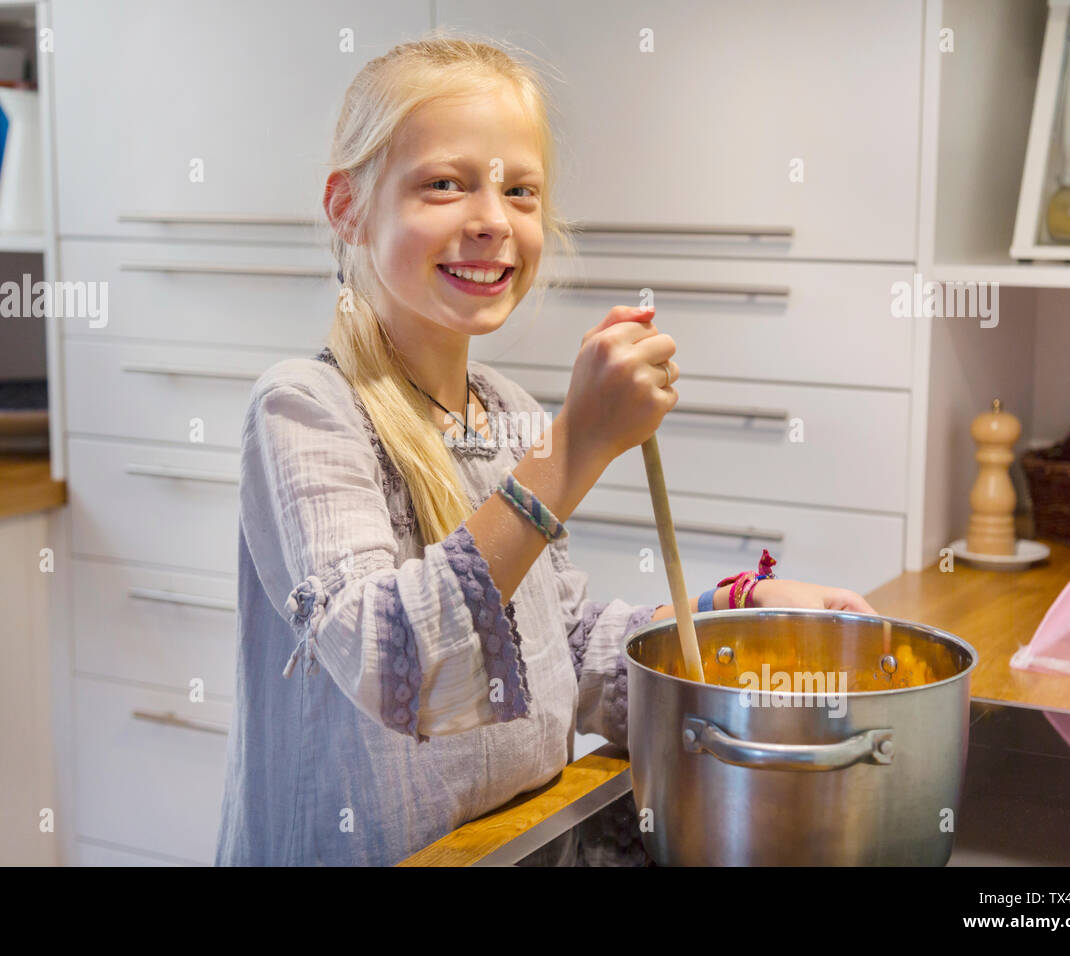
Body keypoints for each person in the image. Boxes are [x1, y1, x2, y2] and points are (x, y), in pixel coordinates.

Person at [215, 29, 876, 867]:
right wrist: (574, 448)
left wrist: (741, 617)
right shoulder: (303, 410)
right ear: (347, 207)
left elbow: (562, 651)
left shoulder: (510, 412)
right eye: (444, 184)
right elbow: (396, 667)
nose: (492, 220)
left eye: (520, 191)